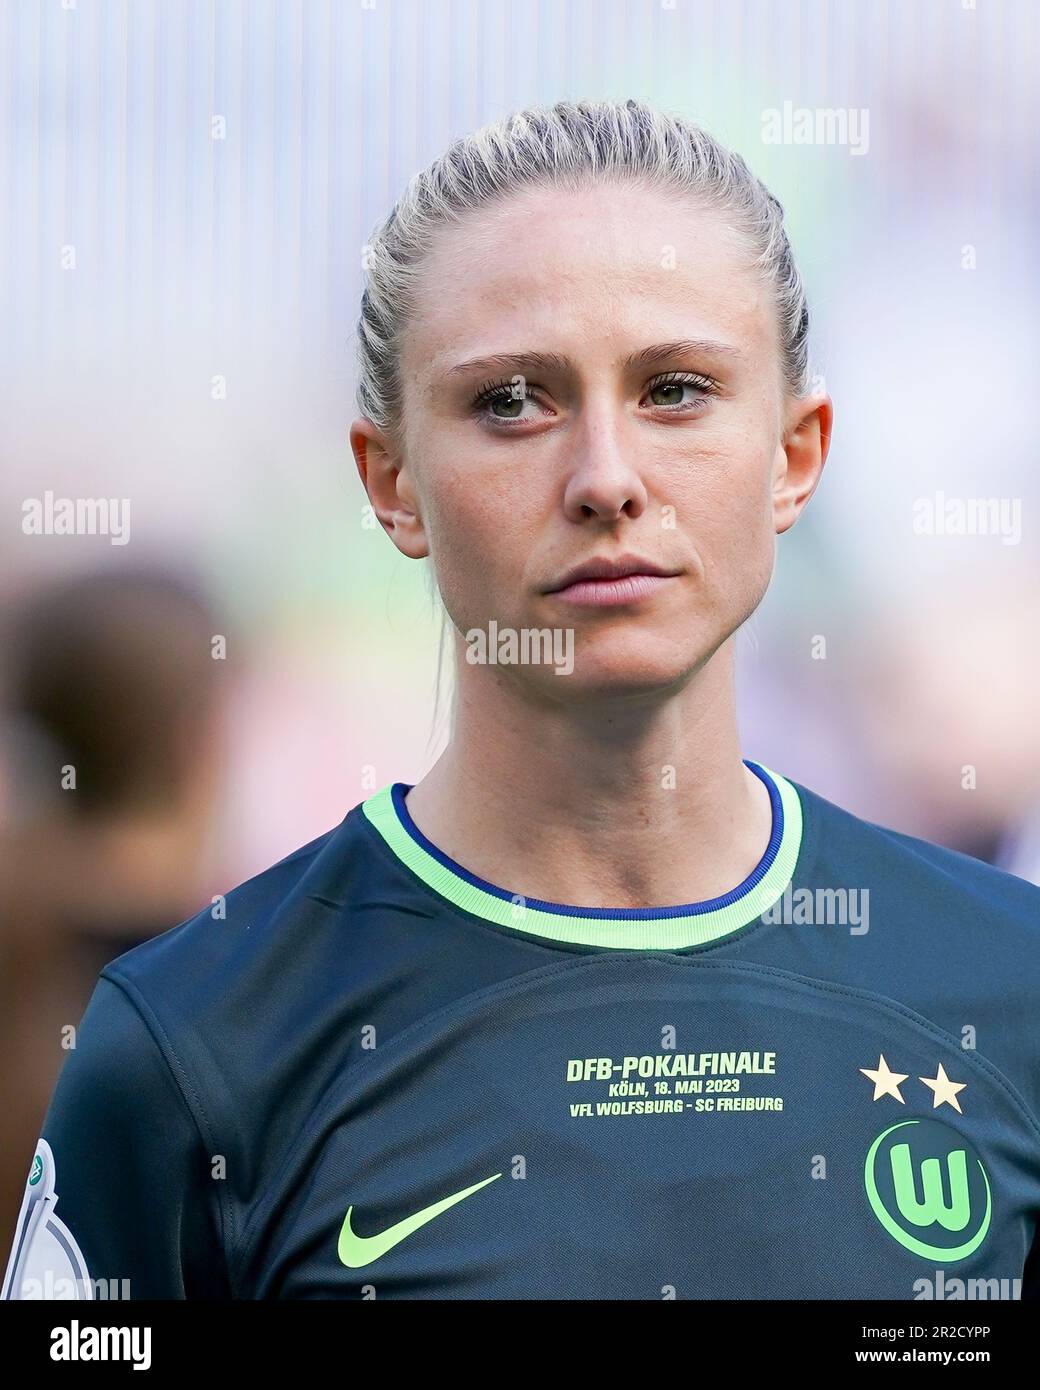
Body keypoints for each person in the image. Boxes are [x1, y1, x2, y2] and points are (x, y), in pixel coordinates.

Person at [5, 99, 1038, 1301]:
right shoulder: (192, 1047)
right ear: (389, 483)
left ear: (793, 457)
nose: (605, 477)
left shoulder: (1005, 989)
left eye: (676, 389)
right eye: (510, 400)